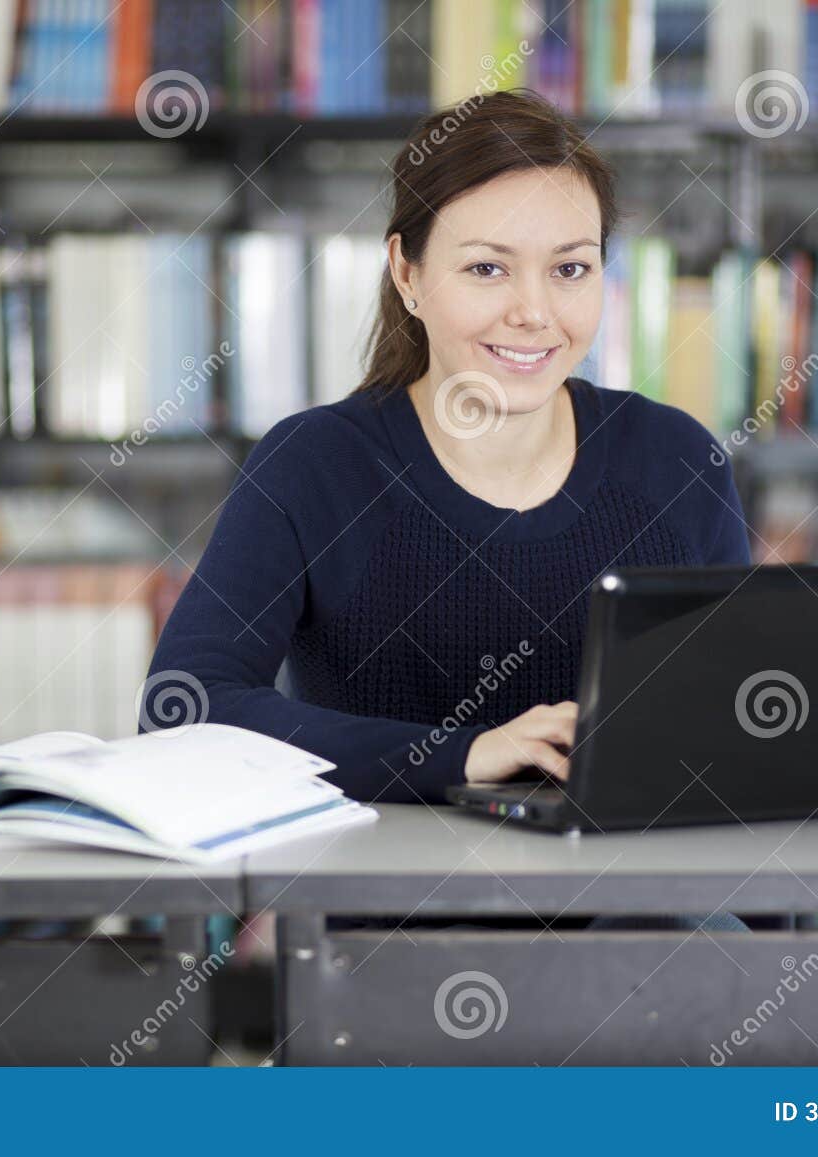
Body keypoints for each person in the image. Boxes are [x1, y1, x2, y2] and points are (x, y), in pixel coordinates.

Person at [145, 88, 750, 932]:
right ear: (407, 272)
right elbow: (188, 704)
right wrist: (463, 755)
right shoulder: (314, 465)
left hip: (637, 926)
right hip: (390, 936)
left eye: (570, 267)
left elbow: (742, 728)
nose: (534, 311)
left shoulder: (676, 461)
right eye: (487, 267)